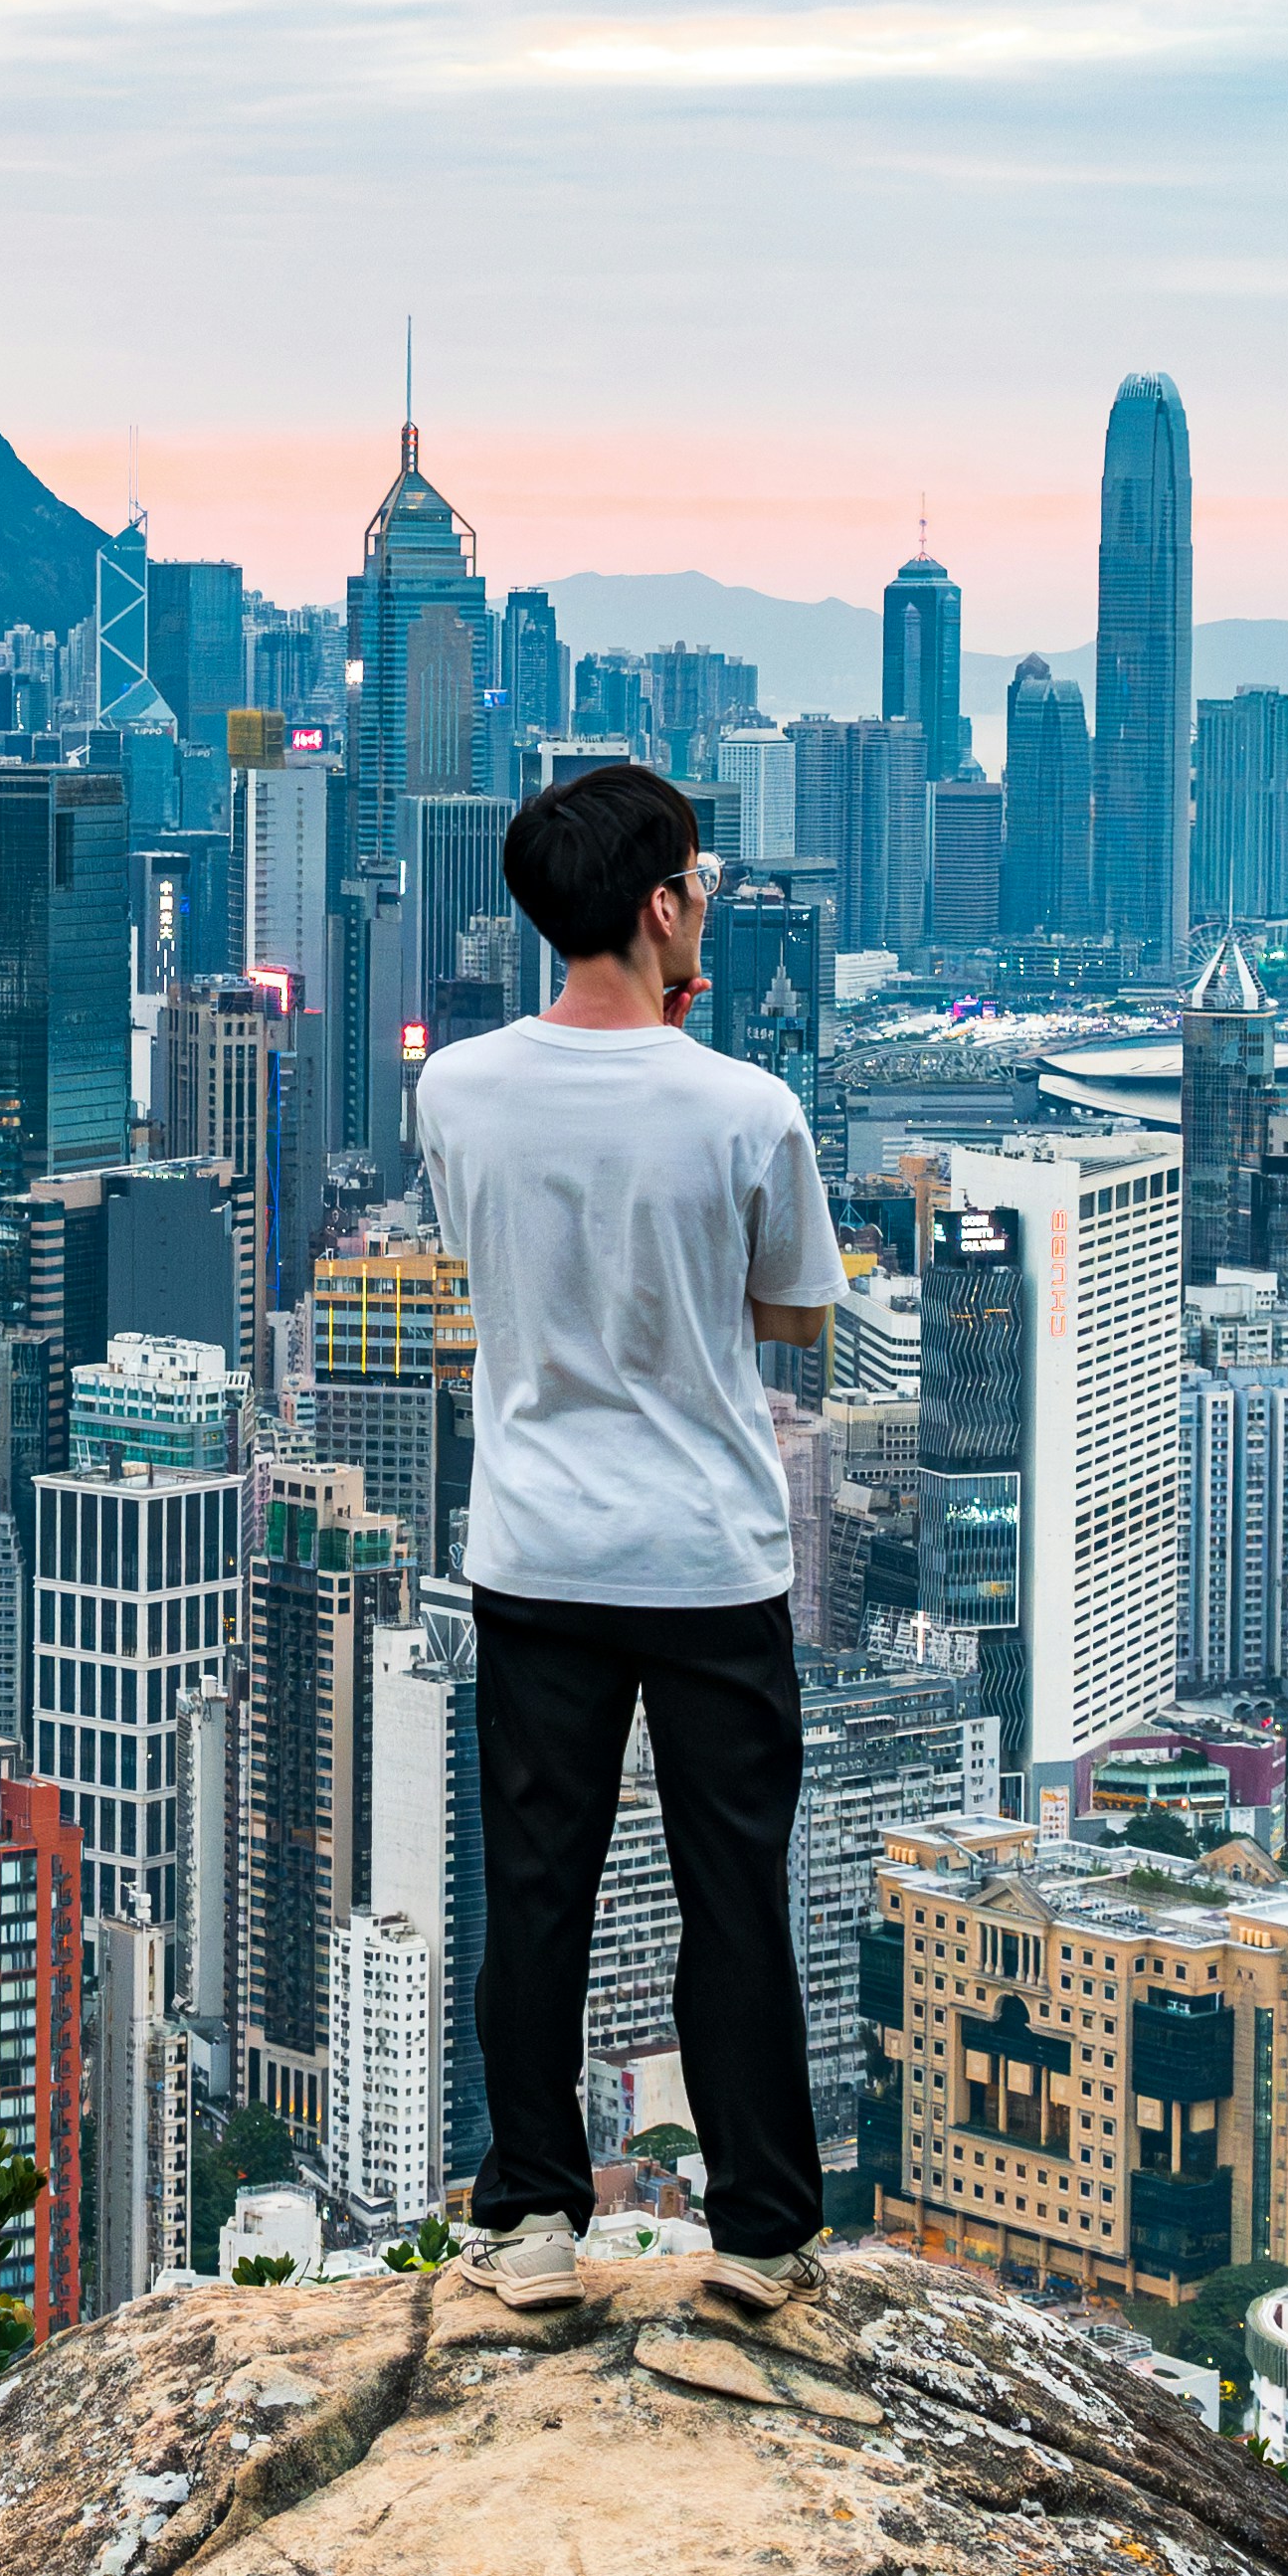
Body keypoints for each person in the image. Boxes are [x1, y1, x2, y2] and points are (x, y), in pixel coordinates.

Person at [408, 757, 847, 2330]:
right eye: (701, 885)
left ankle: (526, 2213)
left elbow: (493, 1255)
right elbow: (792, 1315)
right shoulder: (748, 1107)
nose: (708, 907)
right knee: (735, 1898)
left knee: (537, 1893)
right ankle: (765, 2233)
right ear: (661, 908)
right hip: (713, 1557)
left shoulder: (455, 1089)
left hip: (534, 1555)